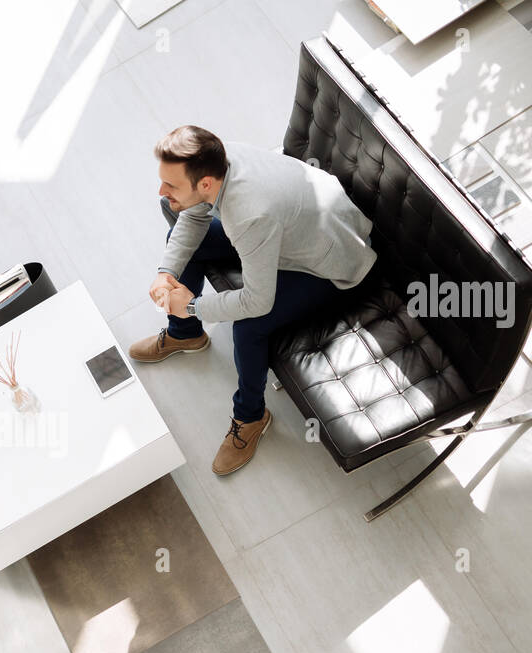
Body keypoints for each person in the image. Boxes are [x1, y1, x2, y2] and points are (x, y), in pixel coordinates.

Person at [129, 125, 377, 474]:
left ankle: (251, 417)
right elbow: (193, 215)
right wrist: (165, 272)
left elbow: (256, 302)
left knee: (248, 329)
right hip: (293, 232)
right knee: (181, 237)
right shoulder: (216, 157)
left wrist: (190, 304)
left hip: (330, 265)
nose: (161, 191)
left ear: (204, 184)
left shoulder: (249, 215)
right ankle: (186, 334)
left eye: (171, 185)